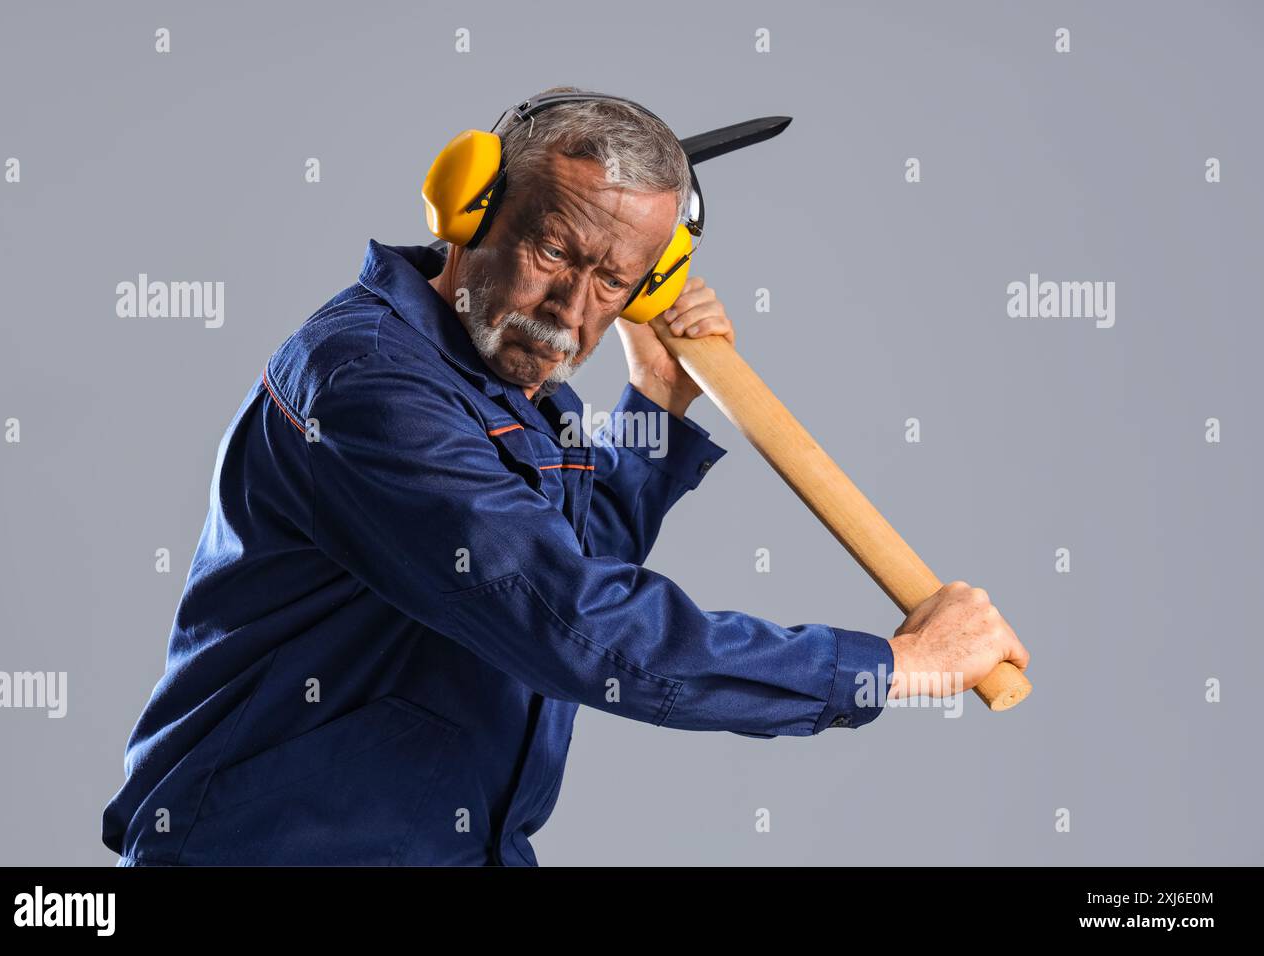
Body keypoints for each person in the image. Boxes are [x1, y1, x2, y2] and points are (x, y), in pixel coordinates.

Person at [102, 88, 1029, 866]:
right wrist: (891, 668)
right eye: (552, 252)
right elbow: (574, 625)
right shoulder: (373, 388)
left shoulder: (507, 379)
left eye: (613, 282)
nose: (571, 312)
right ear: (468, 210)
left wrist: (654, 405)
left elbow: (565, 566)